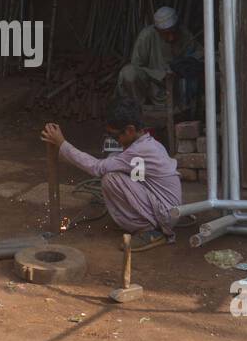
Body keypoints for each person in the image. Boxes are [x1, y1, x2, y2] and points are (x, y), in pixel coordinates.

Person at [40, 97, 182, 249]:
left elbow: (97, 168)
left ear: (130, 130)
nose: (115, 140)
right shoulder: (145, 143)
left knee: (111, 178)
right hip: (166, 208)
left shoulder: (141, 150)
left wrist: (62, 143)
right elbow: (135, 176)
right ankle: (143, 221)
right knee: (114, 163)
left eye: (116, 136)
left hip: (167, 213)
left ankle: (149, 231)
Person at [117, 6, 201, 106]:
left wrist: (188, 63)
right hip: (151, 84)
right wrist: (160, 75)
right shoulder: (147, 36)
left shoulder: (184, 34)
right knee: (129, 72)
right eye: (166, 34)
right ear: (157, 30)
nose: (171, 38)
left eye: (173, 31)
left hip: (176, 87)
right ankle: (139, 109)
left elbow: (200, 53)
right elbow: (136, 67)